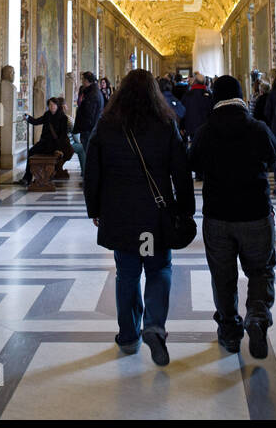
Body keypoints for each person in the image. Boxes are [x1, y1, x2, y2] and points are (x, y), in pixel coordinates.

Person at [83, 69, 195, 365]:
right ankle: (155, 324)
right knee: (159, 270)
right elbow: (181, 172)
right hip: (156, 215)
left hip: (120, 214)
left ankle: (129, 336)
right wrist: (185, 209)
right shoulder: (165, 123)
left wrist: (94, 209)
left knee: (127, 274)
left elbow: (91, 170)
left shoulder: (106, 125)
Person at [188, 76, 276, 357]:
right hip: (255, 213)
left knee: (222, 276)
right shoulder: (258, 128)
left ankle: (229, 329)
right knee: (261, 269)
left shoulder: (205, 132)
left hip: (218, 215)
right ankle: (258, 315)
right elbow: (273, 157)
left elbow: (192, 164)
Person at [23, 97, 73, 183]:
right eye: (50, 105)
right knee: (31, 152)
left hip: (55, 145)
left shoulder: (63, 118)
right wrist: (27, 117)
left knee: (37, 152)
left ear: (57, 106)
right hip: (44, 143)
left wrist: (59, 149)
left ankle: (42, 175)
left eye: (53, 105)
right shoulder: (47, 115)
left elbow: (63, 135)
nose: (52, 106)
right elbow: (36, 121)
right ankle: (27, 177)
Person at [72, 71, 103, 174]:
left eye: (83, 80)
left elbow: (89, 114)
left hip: (88, 130)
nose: (82, 82)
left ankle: (90, 176)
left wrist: (83, 127)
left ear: (87, 81)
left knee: (89, 154)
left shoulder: (92, 94)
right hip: (90, 128)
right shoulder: (93, 92)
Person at [181, 72, 214, 150]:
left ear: (195, 82)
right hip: (206, 128)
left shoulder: (187, 95)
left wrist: (182, 126)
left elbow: (182, 111)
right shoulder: (209, 95)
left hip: (191, 127)